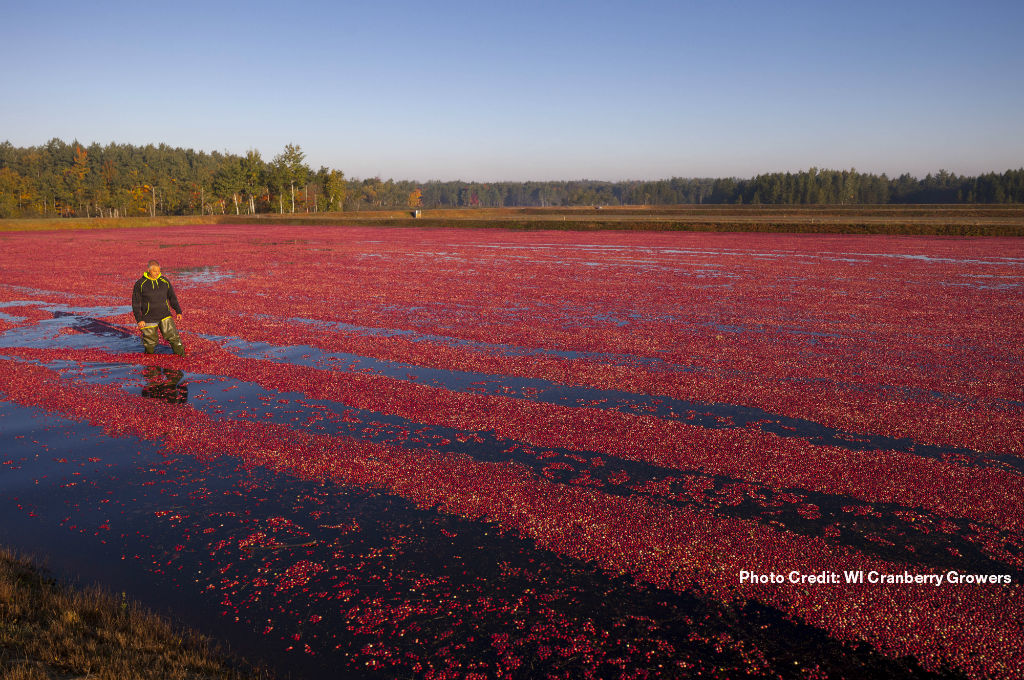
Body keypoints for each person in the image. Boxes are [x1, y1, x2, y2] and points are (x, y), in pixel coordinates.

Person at [131, 260, 186, 356]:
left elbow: (172, 297)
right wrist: (139, 319)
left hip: (165, 315)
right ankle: (150, 366)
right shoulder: (140, 284)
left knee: (174, 338)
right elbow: (135, 303)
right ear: (148, 270)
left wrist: (178, 311)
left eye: (159, 271)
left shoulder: (164, 281)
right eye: (155, 271)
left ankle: (181, 357)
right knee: (150, 344)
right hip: (148, 318)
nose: (157, 273)